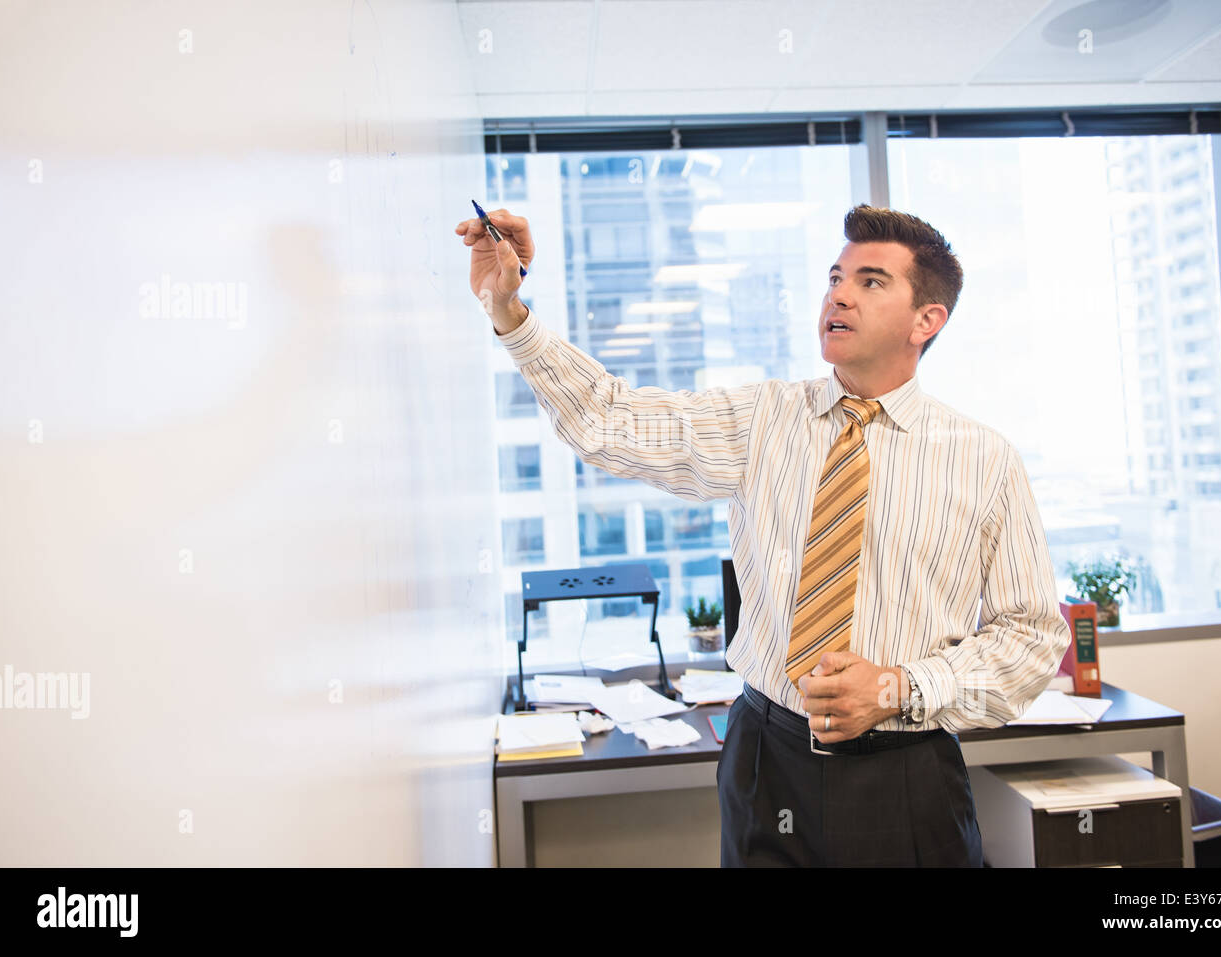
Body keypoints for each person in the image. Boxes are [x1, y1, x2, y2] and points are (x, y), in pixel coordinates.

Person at [455, 204, 1072, 867]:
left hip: (907, 771)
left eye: (870, 281)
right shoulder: (764, 419)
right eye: (836, 276)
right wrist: (510, 313)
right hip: (768, 759)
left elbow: (1032, 636)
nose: (837, 293)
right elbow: (610, 420)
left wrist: (899, 685)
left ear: (927, 321)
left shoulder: (983, 459)